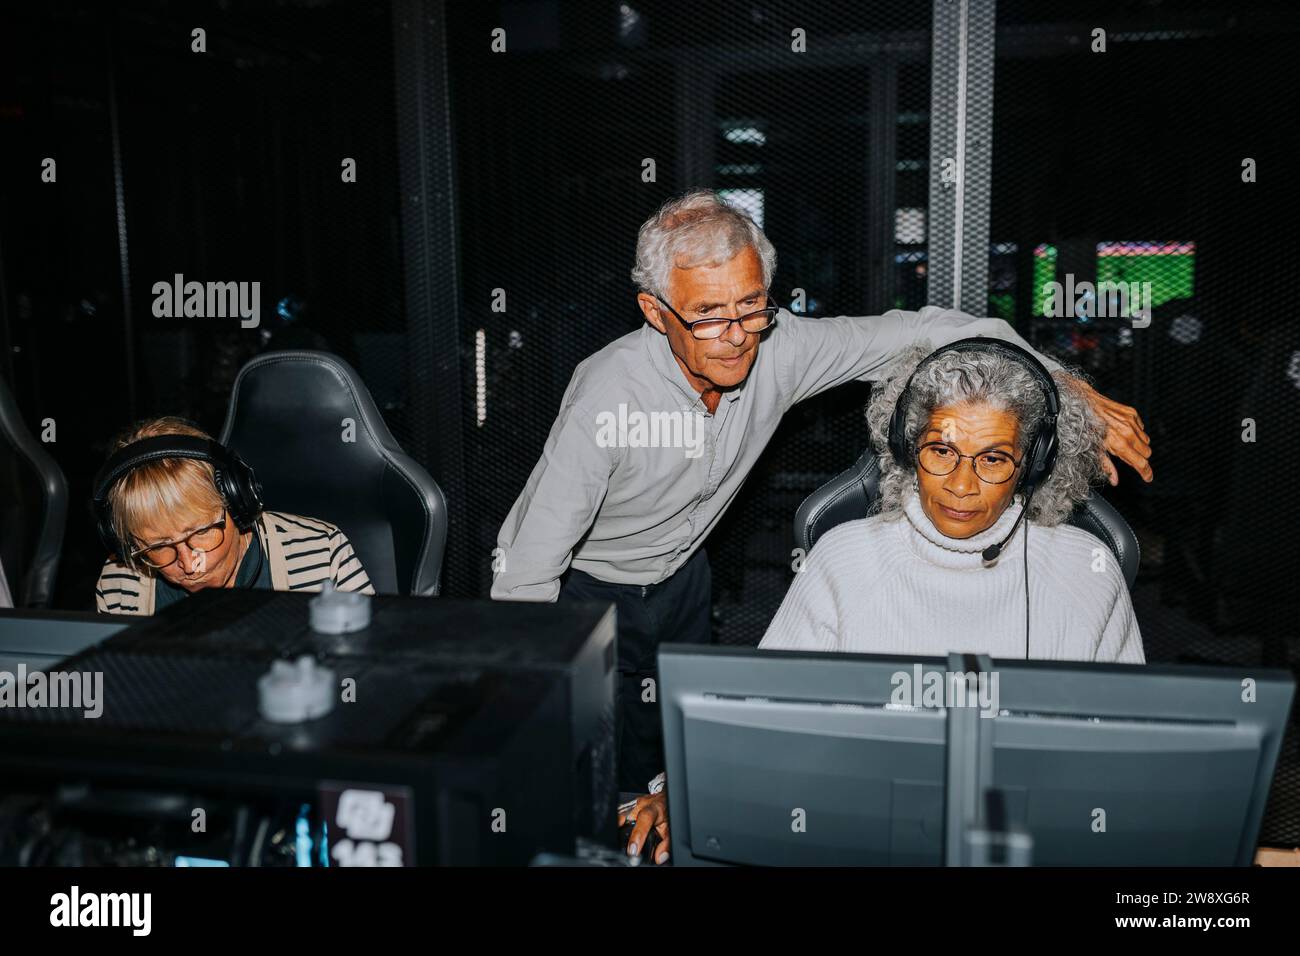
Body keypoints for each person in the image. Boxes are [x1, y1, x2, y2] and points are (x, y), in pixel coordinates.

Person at [491, 190, 1153, 860]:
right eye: (709, 316)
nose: (738, 337)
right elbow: (528, 566)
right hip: (588, 589)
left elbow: (930, 328)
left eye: (752, 306)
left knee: (664, 754)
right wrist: (520, 706)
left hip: (684, 577)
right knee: (581, 762)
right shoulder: (606, 394)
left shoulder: (783, 347)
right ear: (655, 313)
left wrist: (1063, 387)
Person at [760, 339, 1145, 661]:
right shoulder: (839, 558)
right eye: (942, 452)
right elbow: (771, 711)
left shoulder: (1087, 571)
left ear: (1033, 466)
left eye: (993, 459)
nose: (961, 486)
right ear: (908, 449)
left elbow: (1124, 736)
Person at [93, 417, 374, 616]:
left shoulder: (321, 556)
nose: (190, 565)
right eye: (159, 547)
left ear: (238, 502)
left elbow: (375, 671)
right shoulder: (121, 583)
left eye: (201, 532)